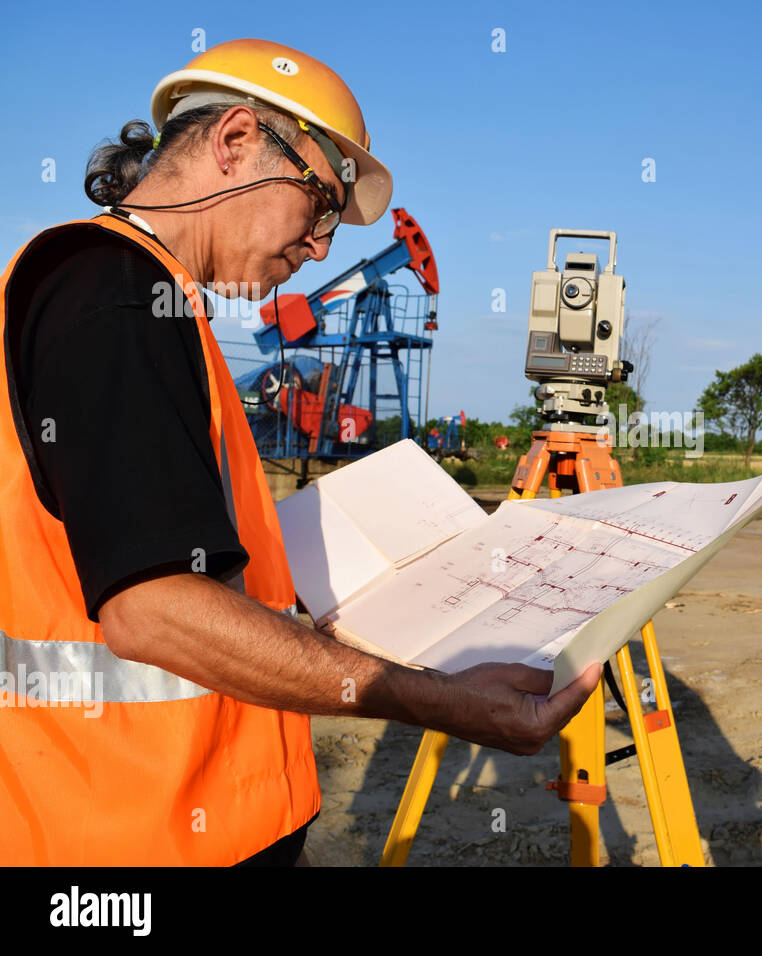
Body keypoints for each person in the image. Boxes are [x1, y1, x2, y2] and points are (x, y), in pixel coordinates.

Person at [0, 38, 600, 866]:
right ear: (236, 139)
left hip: (181, 819)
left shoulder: (153, 308)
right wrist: (440, 701)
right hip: (133, 838)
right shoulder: (116, 294)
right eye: (320, 204)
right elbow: (152, 608)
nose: (322, 247)